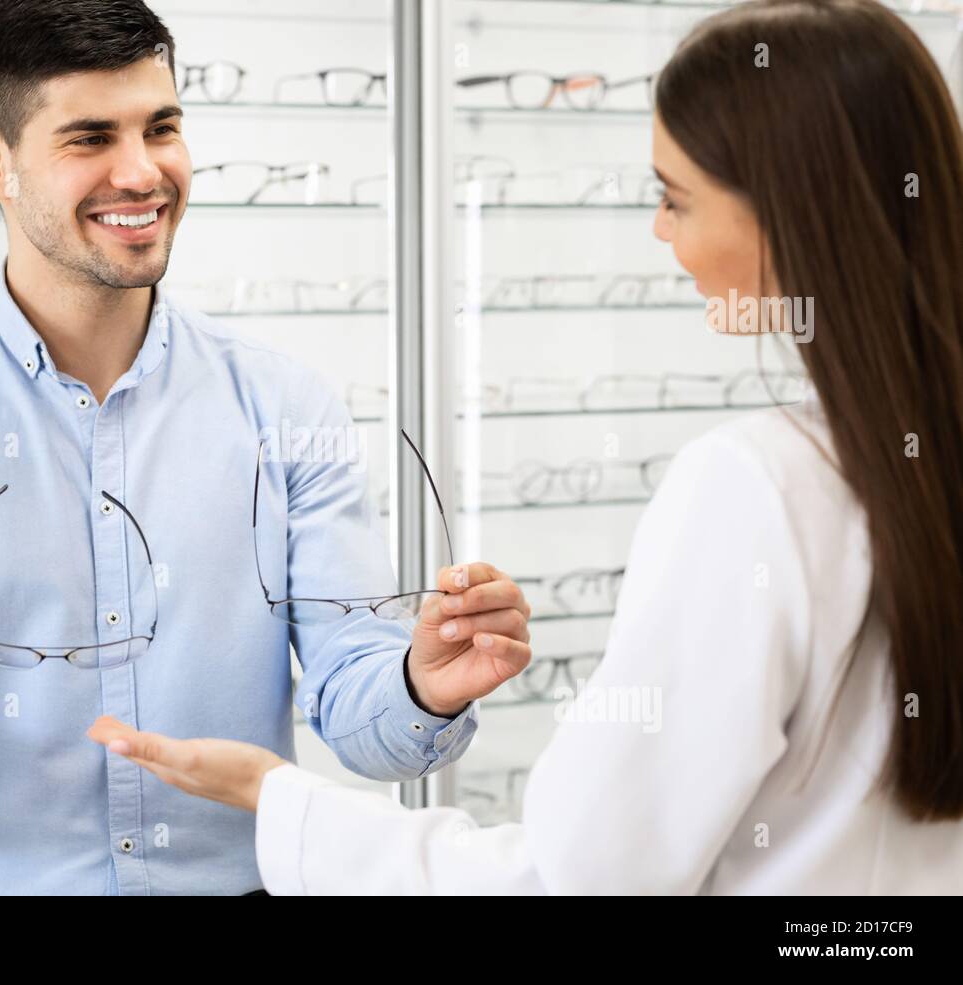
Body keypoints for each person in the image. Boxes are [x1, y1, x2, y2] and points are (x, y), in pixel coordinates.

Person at [89, 0, 963, 893]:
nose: (661, 232)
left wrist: (275, 795)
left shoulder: (757, 487)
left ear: (791, 207)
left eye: (675, 197)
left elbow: (575, 878)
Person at [0, 0, 532, 895]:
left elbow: (362, 719)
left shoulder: (285, 405)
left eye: (162, 127)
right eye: (91, 137)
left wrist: (422, 683)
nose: (142, 172)